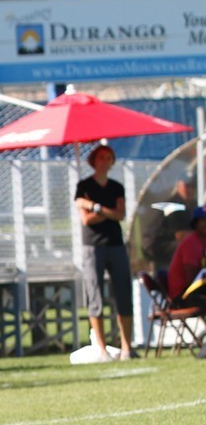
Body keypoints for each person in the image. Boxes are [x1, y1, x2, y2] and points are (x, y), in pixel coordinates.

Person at [75, 144, 134, 359]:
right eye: (101, 157)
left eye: (109, 157)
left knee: (123, 293)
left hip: (115, 244)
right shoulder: (84, 186)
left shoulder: (116, 187)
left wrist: (96, 207)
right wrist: (104, 211)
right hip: (93, 245)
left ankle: (127, 347)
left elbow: (120, 215)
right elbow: (86, 219)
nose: (105, 161)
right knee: (95, 294)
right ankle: (102, 349)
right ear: (94, 160)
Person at [167, 206, 206, 307]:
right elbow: (191, 281)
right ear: (195, 224)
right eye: (203, 220)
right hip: (183, 296)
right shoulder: (191, 243)